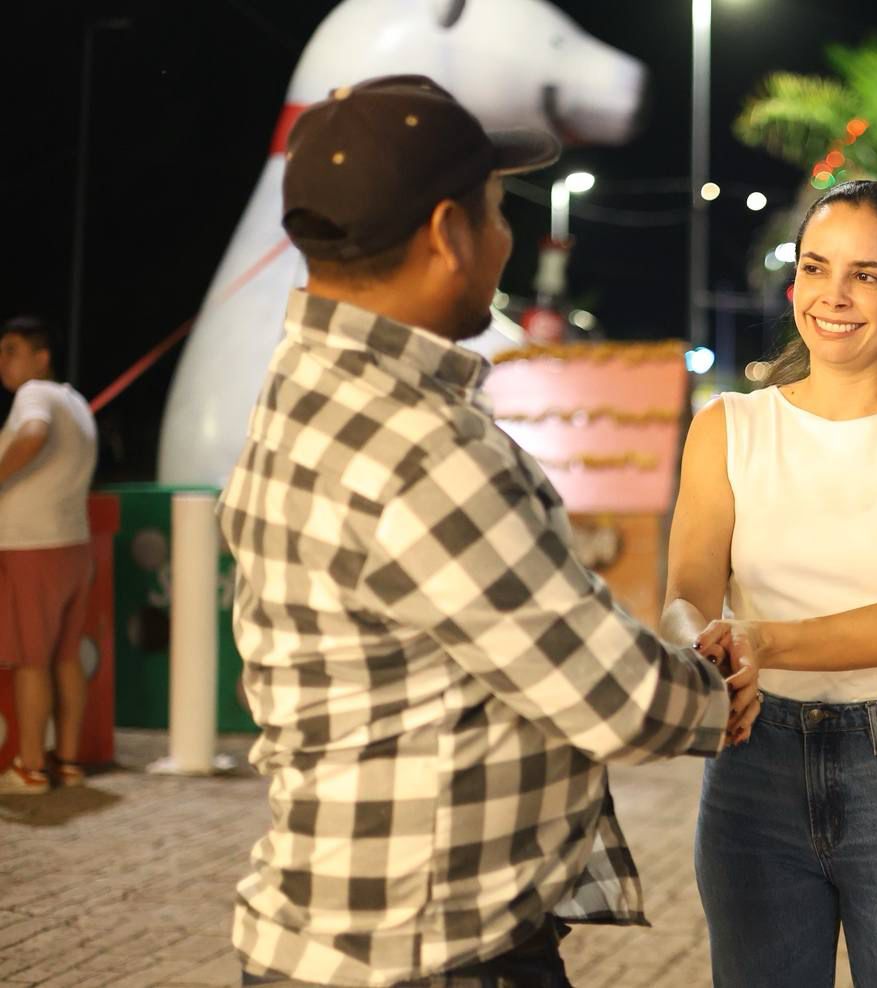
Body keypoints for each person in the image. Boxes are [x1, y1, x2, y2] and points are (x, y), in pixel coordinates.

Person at [217, 76, 759, 988]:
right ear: (445, 234)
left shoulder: (301, 384)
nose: (506, 240)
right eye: (500, 211)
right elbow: (619, 700)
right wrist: (712, 690)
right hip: (427, 950)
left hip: (327, 926)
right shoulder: (426, 448)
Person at [661, 179, 877, 988]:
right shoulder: (728, 427)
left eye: (868, 274)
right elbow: (685, 592)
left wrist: (758, 639)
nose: (835, 295)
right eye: (816, 268)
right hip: (751, 765)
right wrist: (700, 650)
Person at [0, 315, 98, 795]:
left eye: (12, 350)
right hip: (74, 544)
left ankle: (31, 767)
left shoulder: (33, 396)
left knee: (30, 660)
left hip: (31, 546)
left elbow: (33, 434)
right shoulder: (76, 401)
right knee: (65, 658)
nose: (3, 361)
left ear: (41, 357)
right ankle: (71, 762)